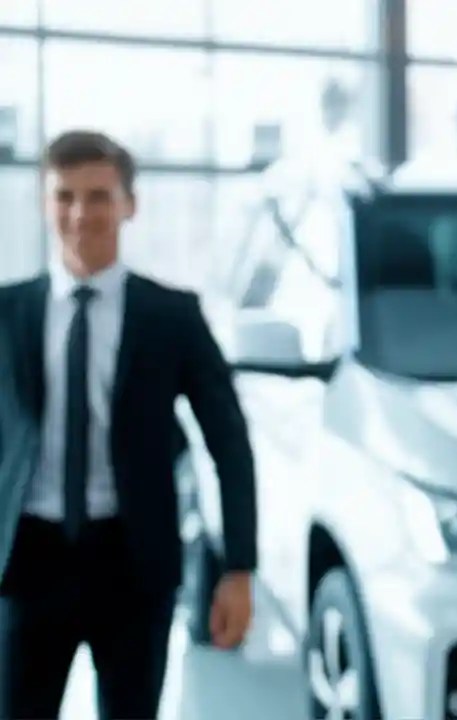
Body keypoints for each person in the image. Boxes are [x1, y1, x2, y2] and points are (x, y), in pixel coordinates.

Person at [0, 130, 257, 719]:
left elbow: (230, 444)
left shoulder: (171, 316)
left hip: (133, 563)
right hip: (28, 561)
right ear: (45, 203)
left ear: (128, 204)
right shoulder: (6, 312)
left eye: (97, 196)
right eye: (64, 196)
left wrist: (239, 568)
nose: (79, 214)